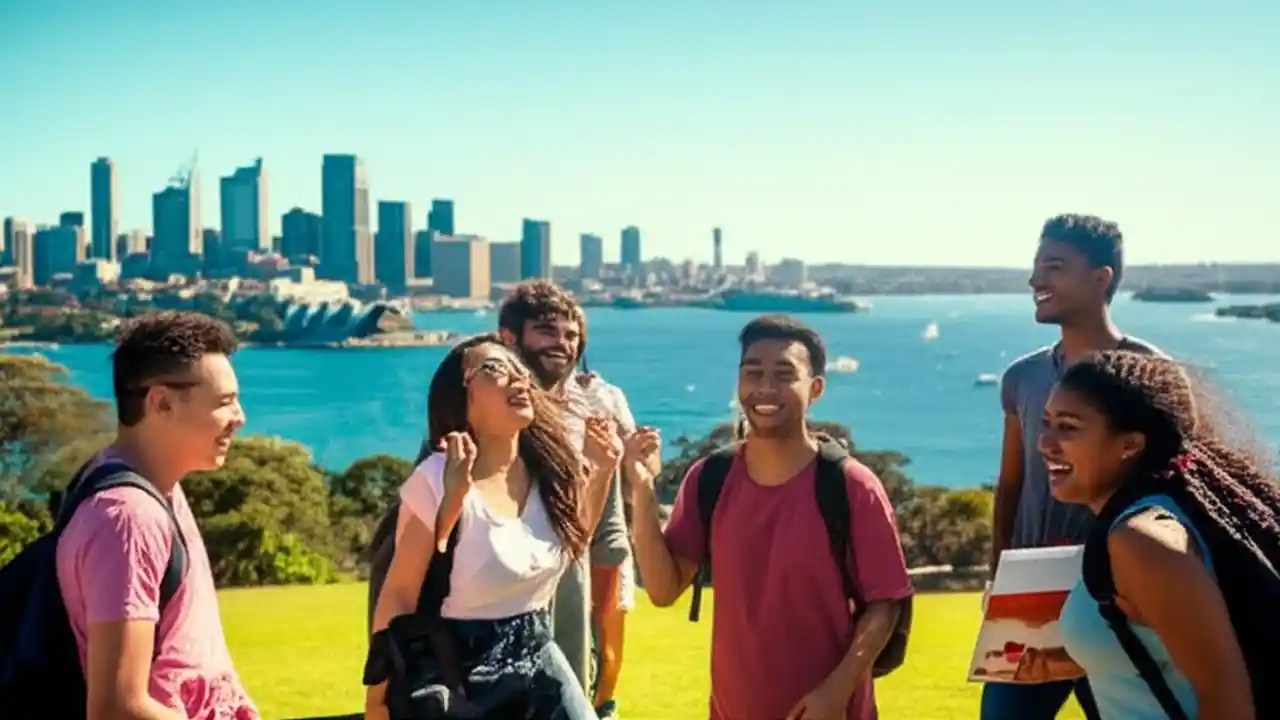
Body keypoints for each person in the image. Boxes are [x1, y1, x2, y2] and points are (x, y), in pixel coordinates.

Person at [627, 314, 914, 720]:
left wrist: (836, 692)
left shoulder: (851, 486)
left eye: (784, 374)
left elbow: (886, 604)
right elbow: (662, 589)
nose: (765, 388)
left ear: (815, 389)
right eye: (752, 373)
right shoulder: (710, 478)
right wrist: (641, 489)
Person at [365, 334, 619, 720]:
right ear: (460, 397)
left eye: (521, 370)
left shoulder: (550, 473)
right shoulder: (436, 478)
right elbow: (399, 593)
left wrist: (601, 472)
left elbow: (569, 549)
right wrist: (377, 699)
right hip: (458, 672)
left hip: (538, 656)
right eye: (495, 369)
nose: (519, 380)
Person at [986, 213, 1160, 719]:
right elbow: (1011, 484)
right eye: (1036, 266)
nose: (1036, 280)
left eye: (1054, 267)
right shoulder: (1022, 376)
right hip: (1032, 597)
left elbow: (1176, 493)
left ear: (1100, 279)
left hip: (1121, 599)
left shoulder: (1151, 376)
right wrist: (998, 580)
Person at [1039, 350, 1271, 719]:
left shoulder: (1141, 540)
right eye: (1046, 422)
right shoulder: (1145, 521)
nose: (1045, 443)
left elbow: (1227, 702)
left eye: (1067, 427)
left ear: (1130, 445)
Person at [54, 311, 257, 719]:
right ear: (161, 403)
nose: (240, 417)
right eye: (224, 402)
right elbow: (117, 708)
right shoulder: (127, 518)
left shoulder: (156, 489)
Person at [496, 280, 637, 715]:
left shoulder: (591, 421)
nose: (562, 344)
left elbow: (605, 539)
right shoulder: (473, 413)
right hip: (488, 612)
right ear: (509, 337)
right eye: (546, 330)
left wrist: (608, 665)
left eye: (571, 335)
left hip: (567, 603)